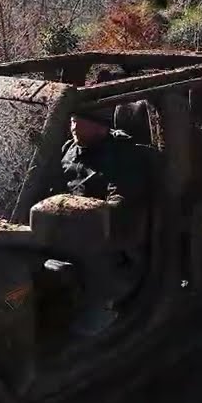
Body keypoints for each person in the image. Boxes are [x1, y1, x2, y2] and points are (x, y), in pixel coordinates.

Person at [48, 106, 155, 335]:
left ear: (100, 127)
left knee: (90, 257)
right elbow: (52, 182)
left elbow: (121, 198)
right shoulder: (69, 149)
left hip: (107, 231)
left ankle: (104, 308)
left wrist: (93, 212)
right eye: (72, 121)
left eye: (80, 122)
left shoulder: (122, 155)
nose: (74, 127)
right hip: (64, 221)